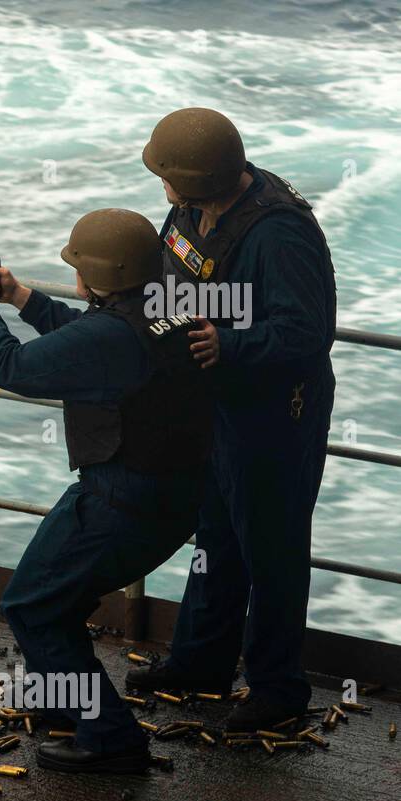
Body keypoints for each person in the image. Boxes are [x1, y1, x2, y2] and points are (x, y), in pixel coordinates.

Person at [0, 209, 212, 773]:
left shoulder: (109, 334)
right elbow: (87, 341)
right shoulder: (163, 308)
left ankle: (110, 737)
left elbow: (13, 367)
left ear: (94, 273)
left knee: (33, 606)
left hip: (122, 501)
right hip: (173, 495)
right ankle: (64, 700)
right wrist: (22, 297)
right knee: (57, 600)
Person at [128, 108, 337, 731]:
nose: (160, 186)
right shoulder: (193, 210)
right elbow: (175, 279)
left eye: (167, 175)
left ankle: (278, 693)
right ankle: (202, 661)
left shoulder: (278, 233)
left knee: (271, 549)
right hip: (213, 404)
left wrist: (232, 346)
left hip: (275, 414)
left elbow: (307, 331)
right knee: (216, 538)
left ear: (200, 178)